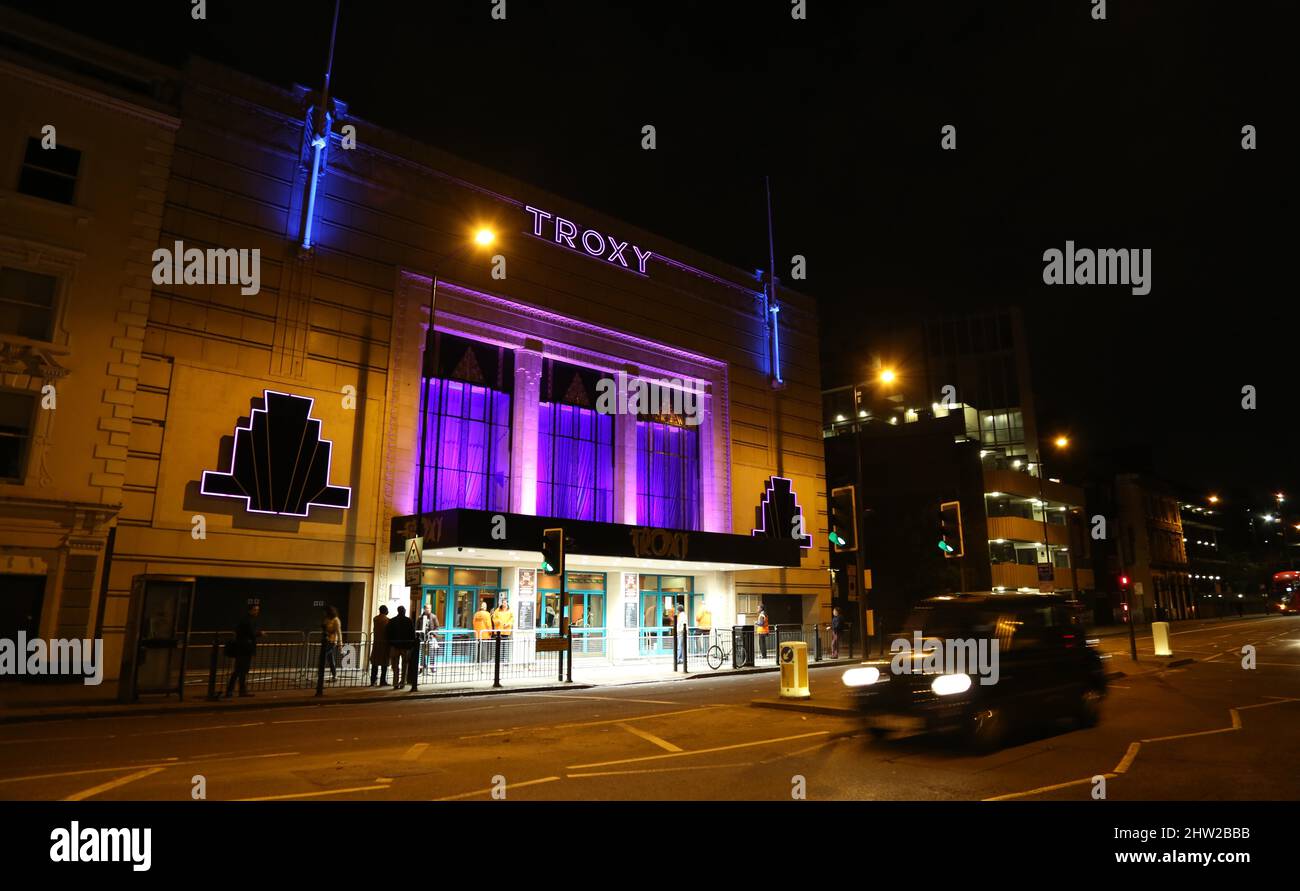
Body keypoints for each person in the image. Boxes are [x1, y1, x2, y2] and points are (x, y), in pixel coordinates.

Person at [226, 603, 262, 698]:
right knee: (239, 670)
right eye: (255, 610)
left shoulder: (245, 619)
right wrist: (260, 633)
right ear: (250, 610)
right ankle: (231, 691)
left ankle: (241, 691)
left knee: (241, 671)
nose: (257, 612)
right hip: (244, 648)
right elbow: (251, 633)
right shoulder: (247, 620)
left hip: (243, 648)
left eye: (257, 610)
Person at [386, 605, 416, 688]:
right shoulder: (408, 621)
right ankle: (402, 682)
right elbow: (412, 634)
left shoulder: (392, 621)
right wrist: (411, 645)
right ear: (404, 611)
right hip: (405, 646)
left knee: (395, 666)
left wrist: (390, 643)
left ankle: (395, 683)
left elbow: (388, 633)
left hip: (395, 646)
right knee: (404, 666)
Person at [369, 604, 390, 686]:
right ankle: (382, 680)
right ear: (385, 611)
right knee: (384, 664)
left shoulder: (375, 619)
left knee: (375, 663)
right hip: (384, 644)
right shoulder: (387, 620)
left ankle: (373, 680)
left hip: (376, 643)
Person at [321, 605, 343, 682]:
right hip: (326, 641)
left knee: (323, 656)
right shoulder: (327, 619)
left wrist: (340, 644)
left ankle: (321, 675)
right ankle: (334, 676)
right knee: (330, 659)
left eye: (325, 612)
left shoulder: (336, 620)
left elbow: (339, 633)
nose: (324, 613)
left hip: (332, 642)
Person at [416, 604, 439, 675]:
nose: (429, 610)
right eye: (427, 608)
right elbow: (417, 627)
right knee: (422, 654)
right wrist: (419, 635)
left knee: (432, 653)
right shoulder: (420, 617)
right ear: (424, 609)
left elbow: (437, 627)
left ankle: (432, 668)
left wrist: (433, 634)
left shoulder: (434, 617)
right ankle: (422, 668)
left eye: (430, 608)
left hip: (431, 638)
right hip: (423, 638)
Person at [675, 599, 688, 664]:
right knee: (682, 646)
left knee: (679, 646)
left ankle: (677, 659)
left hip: (681, 632)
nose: (677, 611)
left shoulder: (681, 615)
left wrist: (679, 631)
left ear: (679, 610)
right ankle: (682, 659)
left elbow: (681, 624)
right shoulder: (684, 615)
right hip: (683, 632)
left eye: (677, 610)